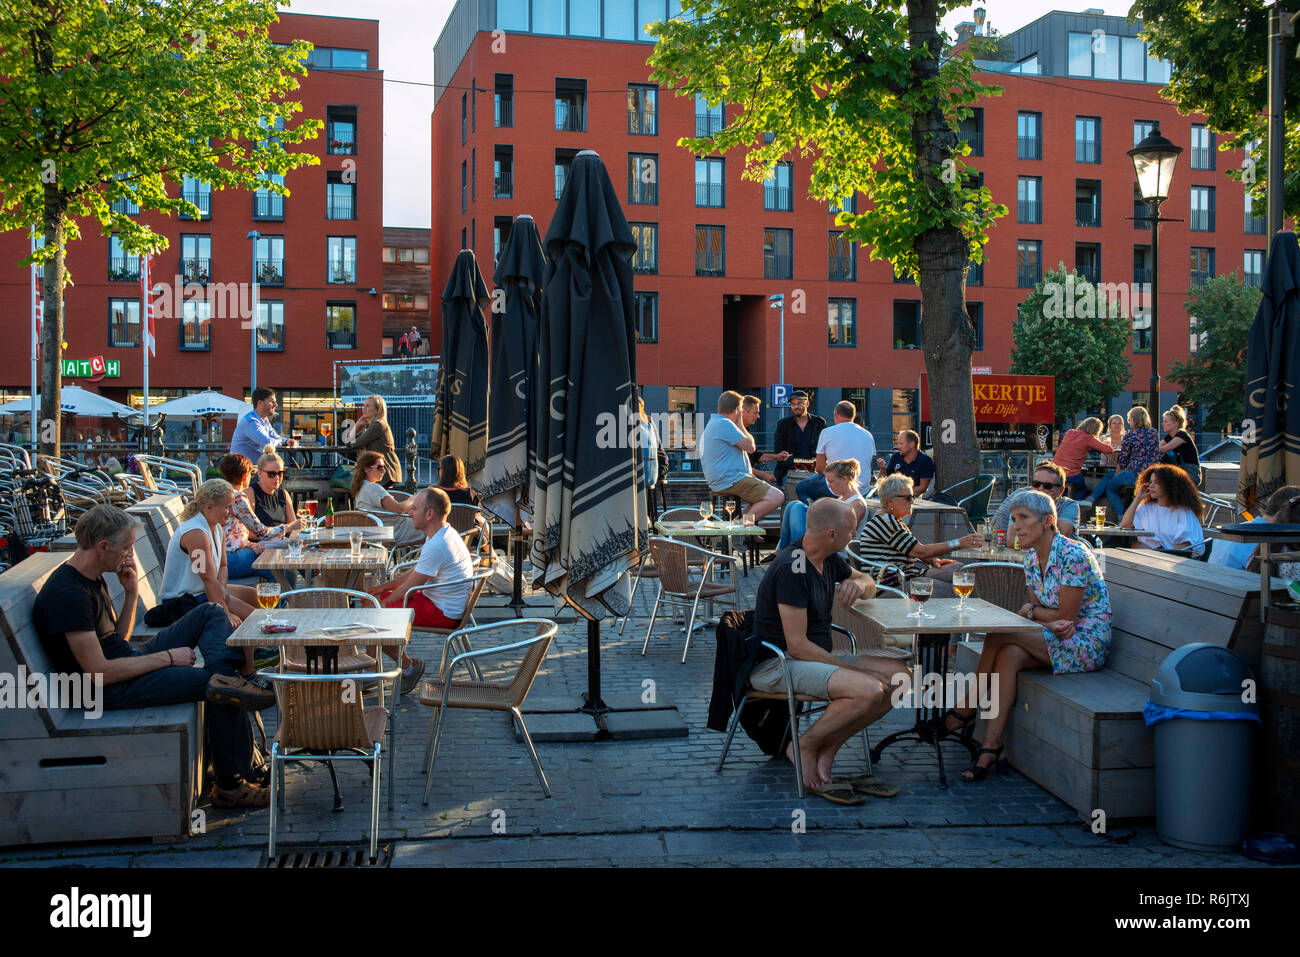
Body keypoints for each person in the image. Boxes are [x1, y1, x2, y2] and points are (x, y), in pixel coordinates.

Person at [33, 505, 273, 808]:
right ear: (103, 546)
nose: (130, 555)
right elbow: (98, 672)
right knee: (214, 683)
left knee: (210, 614)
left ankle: (231, 682)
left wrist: (131, 594)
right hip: (107, 689)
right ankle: (231, 784)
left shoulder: (92, 575)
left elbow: (116, 641)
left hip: (124, 663)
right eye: (127, 547)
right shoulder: (68, 594)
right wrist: (167, 658)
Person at [938, 489, 1111, 782]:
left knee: (1000, 634)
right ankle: (991, 746)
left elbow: (1062, 618)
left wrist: (1034, 612)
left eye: (1023, 518)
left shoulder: (1073, 554)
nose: (1016, 526)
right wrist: (1036, 612)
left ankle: (967, 705)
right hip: (1053, 639)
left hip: (1085, 644)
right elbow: (1037, 609)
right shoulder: (1031, 559)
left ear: (1047, 522)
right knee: (1008, 653)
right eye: (1014, 518)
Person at [748, 498, 904, 802]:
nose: (854, 537)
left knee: (901, 678)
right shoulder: (793, 567)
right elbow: (797, 644)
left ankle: (827, 749)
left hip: (814, 658)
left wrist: (860, 584)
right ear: (831, 534)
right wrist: (858, 671)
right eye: (851, 531)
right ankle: (804, 745)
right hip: (778, 663)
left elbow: (868, 581)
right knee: (868, 688)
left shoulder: (829, 557)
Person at [160, 478, 272, 686]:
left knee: (253, 596)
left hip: (202, 590)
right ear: (209, 507)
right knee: (251, 618)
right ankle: (248, 673)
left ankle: (254, 650)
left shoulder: (216, 527)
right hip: (184, 600)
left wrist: (223, 589)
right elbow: (207, 577)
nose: (230, 512)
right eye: (227, 507)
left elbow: (222, 567)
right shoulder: (195, 534)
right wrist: (224, 610)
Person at [368, 487, 477, 693]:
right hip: (438, 602)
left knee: (374, 614)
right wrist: (383, 588)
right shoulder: (443, 532)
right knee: (371, 602)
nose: (409, 512)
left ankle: (386, 669)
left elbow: (411, 586)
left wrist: (382, 603)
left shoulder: (437, 544)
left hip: (443, 613)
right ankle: (376, 668)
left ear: (429, 514)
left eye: (414, 509)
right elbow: (416, 573)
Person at [856, 473, 983, 595]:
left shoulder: (892, 520)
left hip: (908, 576)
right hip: (893, 586)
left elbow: (912, 549)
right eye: (908, 498)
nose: (912, 501)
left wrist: (934, 560)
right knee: (955, 587)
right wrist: (960, 542)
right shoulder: (885, 522)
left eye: (913, 497)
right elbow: (920, 551)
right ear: (890, 501)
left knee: (960, 570)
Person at [698, 390, 784, 522]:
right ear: (738, 409)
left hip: (723, 479)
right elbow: (751, 447)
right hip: (730, 479)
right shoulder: (724, 424)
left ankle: (739, 527)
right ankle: (740, 527)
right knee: (777, 497)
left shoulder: (714, 423)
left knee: (759, 500)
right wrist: (740, 423)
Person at [218, 453, 299, 580]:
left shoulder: (220, 493)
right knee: (278, 564)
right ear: (245, 476)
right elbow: (261, 532)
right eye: (251, 474)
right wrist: (289, 527)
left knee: (279, 565)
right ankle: (287, 598)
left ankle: (281, 598)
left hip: (220, 557)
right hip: (229, 560)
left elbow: (231, 535)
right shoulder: (237, 498)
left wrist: (251, 545)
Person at [1087, 406, 1160, 520]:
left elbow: (1123, 460)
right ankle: (1091, 499)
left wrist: (1119, 471)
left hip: (1134, 474)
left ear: (1133, 419)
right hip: (1152, 474)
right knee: (1111, 474)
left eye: (1129, 419)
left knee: (1111, 488)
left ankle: (1122, 517)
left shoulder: (1130, 435)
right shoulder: (1153, 433)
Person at [777, 459, 868, 551]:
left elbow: (842, 536)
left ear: (844, 479)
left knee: (797, 507)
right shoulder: (843, 498)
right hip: (826, 541)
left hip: (835, 549)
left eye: (831, 482)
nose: (828, 486)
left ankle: (793, 553)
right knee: (793, 505)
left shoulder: (856, 504)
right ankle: (784, 552)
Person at [1120, 463, 1206, 556]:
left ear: (1169, 486)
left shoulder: (1183, 511)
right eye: (1150, 482)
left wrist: (1163, 557)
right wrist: (1138, 498)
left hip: (1178, 557)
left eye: (1156, 482)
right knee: (1137, 546)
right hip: (1155, 555)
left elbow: (1188, 546)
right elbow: (1125, 525)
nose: (1151, 486)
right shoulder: (1146, 507)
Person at [798, 400, 876, 502]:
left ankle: (815, 513)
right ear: (854, 415)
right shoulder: (868, 434)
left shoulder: (827, 432)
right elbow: (869, 463)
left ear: (836, 414)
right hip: (861, 488)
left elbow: (820, 468)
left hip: (837, 486)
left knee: (801, 488)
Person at [991, 461, 1080, 539]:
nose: (1040, 489)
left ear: (1061, 490)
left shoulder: (1069, 506)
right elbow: (1012, 539)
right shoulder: (1021, 501)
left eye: (1047, 486)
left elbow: (1058, 537)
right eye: (1036, 484)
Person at [352, 451, 422, 546]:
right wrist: (413, 499)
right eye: (380, 467)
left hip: (380, 531)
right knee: (433, 526)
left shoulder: (361, 487)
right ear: (367, 469)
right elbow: (399, 509)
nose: (384, 471)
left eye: (384, 467)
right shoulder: (373, 488)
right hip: (395, 531)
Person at [342, 394, 403, 484]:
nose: (364, 408)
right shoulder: (370, 426)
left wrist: (357, 425)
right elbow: (348, 442)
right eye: (364, 405)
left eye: (368, 406)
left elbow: (356, 443)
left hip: (385, 471)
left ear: (377, 410)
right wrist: (359, 425)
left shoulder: (378, 425)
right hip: (378, 470)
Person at [1052, 417, 1115, 500]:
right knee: (1081, 488)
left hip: (1054, 471)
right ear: (1096, 430)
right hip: (1070, 474)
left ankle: (1064, 501)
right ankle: (1079, 505)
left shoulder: (1070, 432)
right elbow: (1108, 450)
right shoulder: (1088, 438)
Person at [772, 391, 825, 487]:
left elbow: (825, 449)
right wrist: (799, 467)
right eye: (793, 404)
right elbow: (779, 452)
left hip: (814, 473)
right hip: (790, 473)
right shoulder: (783, 424)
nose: (796, 407)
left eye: (800, 403)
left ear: (807, 404)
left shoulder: (819, 423)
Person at [229, 387, 295, 462]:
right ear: (260, 403)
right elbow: (267, 443)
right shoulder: (251, 421)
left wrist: (286, 441)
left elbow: (274, 436)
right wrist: (280, 442)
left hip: (253, 467)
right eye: (272, 402)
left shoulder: (264, 420)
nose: (276, 405)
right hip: (242, 468)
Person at [740, 395, 785, 483]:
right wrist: (765, 475)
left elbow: (755, 456)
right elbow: (739, 466)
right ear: (743, 412)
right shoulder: (735, 431)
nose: (758, 416)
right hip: (739, 479)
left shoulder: (746, 429)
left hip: (746, 477)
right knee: (777, 495)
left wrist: (776, 457)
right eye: (755, 413)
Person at [876, 430, 934, 496]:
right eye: (897, 443)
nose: (898, 447)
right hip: (892, 497)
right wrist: (882, 468)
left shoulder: (925, 460)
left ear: (912, 444)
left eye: (901, 444)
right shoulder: (896, 456)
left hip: (914, 499)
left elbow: (923, 488)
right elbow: (883, 482)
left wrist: (901, 493)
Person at [246, 450, 296, 529]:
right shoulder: (250, 494)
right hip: (260, 541)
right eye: (271, 474)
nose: (277, 478)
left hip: (282, 540)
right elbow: (248, 532)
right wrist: (283, 529)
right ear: (259, 473)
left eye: (280, 473)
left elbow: (294, 527)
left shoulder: (283, 494)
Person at [1158, 404, 1201, 488]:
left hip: (1191, 473)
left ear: (1176, 423)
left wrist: (1147, 447)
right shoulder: (1170, 436)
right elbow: (1158, 446)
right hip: (1181, 470)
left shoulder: (1182, 435)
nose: (1163, 424)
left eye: (1166, 421)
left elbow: (1163, 449)